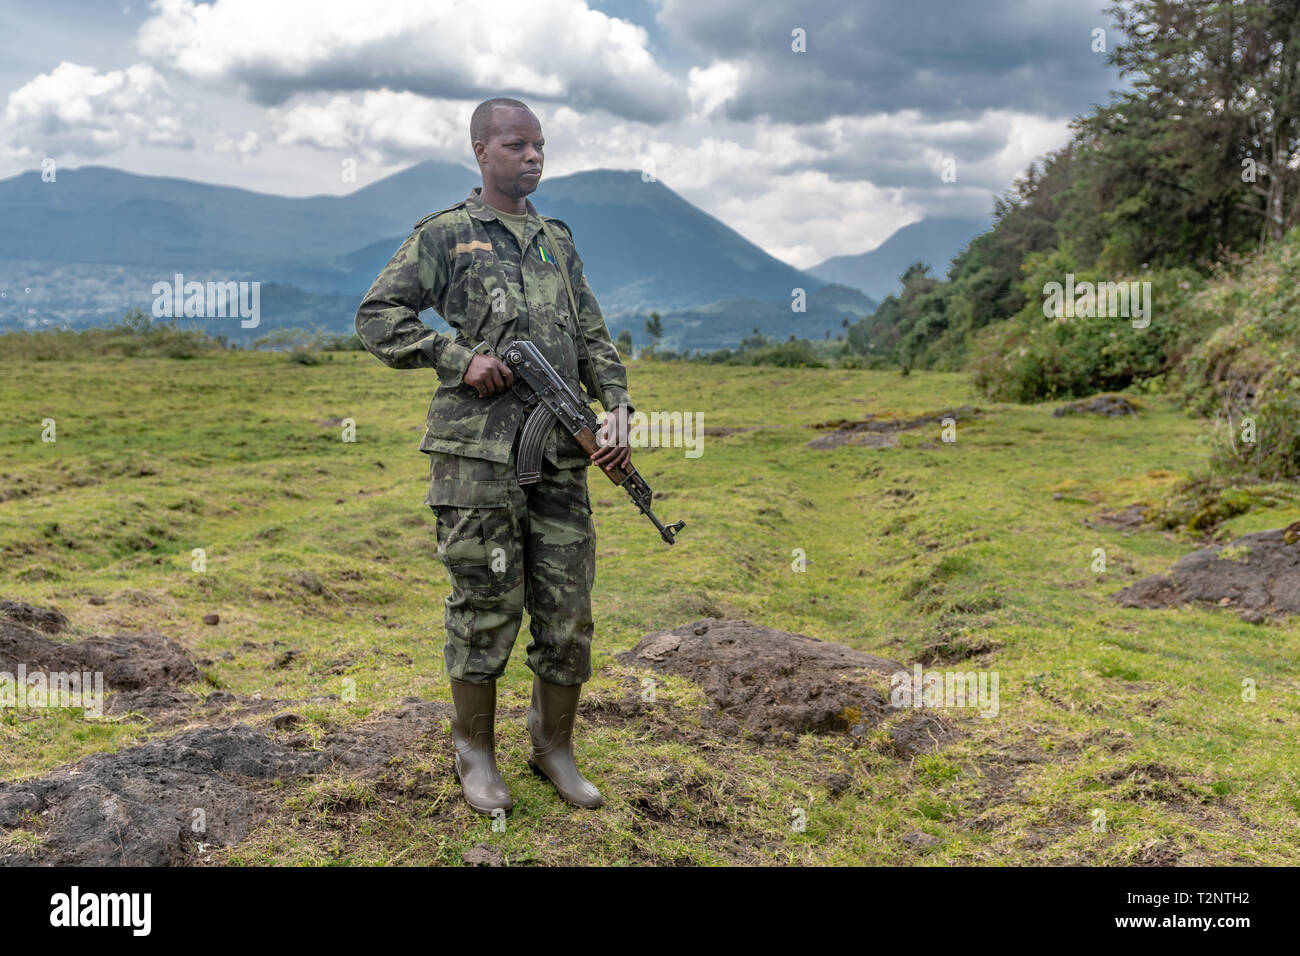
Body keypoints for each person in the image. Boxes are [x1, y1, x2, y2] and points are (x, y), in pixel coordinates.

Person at [353, 97, 634, 814]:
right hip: (475, 458)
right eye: (517, 145)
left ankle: (553, 749)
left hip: (561, 462)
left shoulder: (555, 239)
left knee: (568, 610)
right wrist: (455, 358)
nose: (533, 156)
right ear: (481, 151)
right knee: (484, 605)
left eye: (540, 145)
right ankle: (475, 755)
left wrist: (618, 407)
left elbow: (593, 337)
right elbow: (377, 317)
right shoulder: (447, 234)